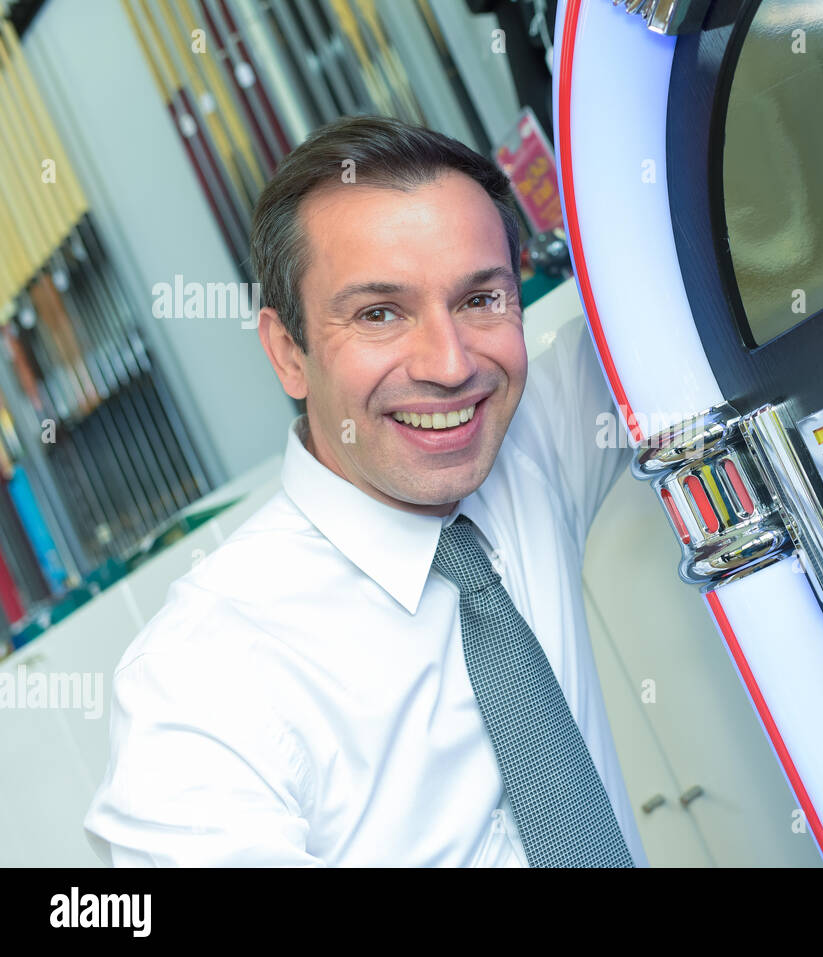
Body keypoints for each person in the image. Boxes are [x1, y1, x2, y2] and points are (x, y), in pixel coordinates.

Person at [83, 115, 647, 867]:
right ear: (288, 352)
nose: (450, 365)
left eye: (481, 299)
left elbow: (666, 260)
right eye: (380, 313)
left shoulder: (529, 443)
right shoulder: (200, 683)